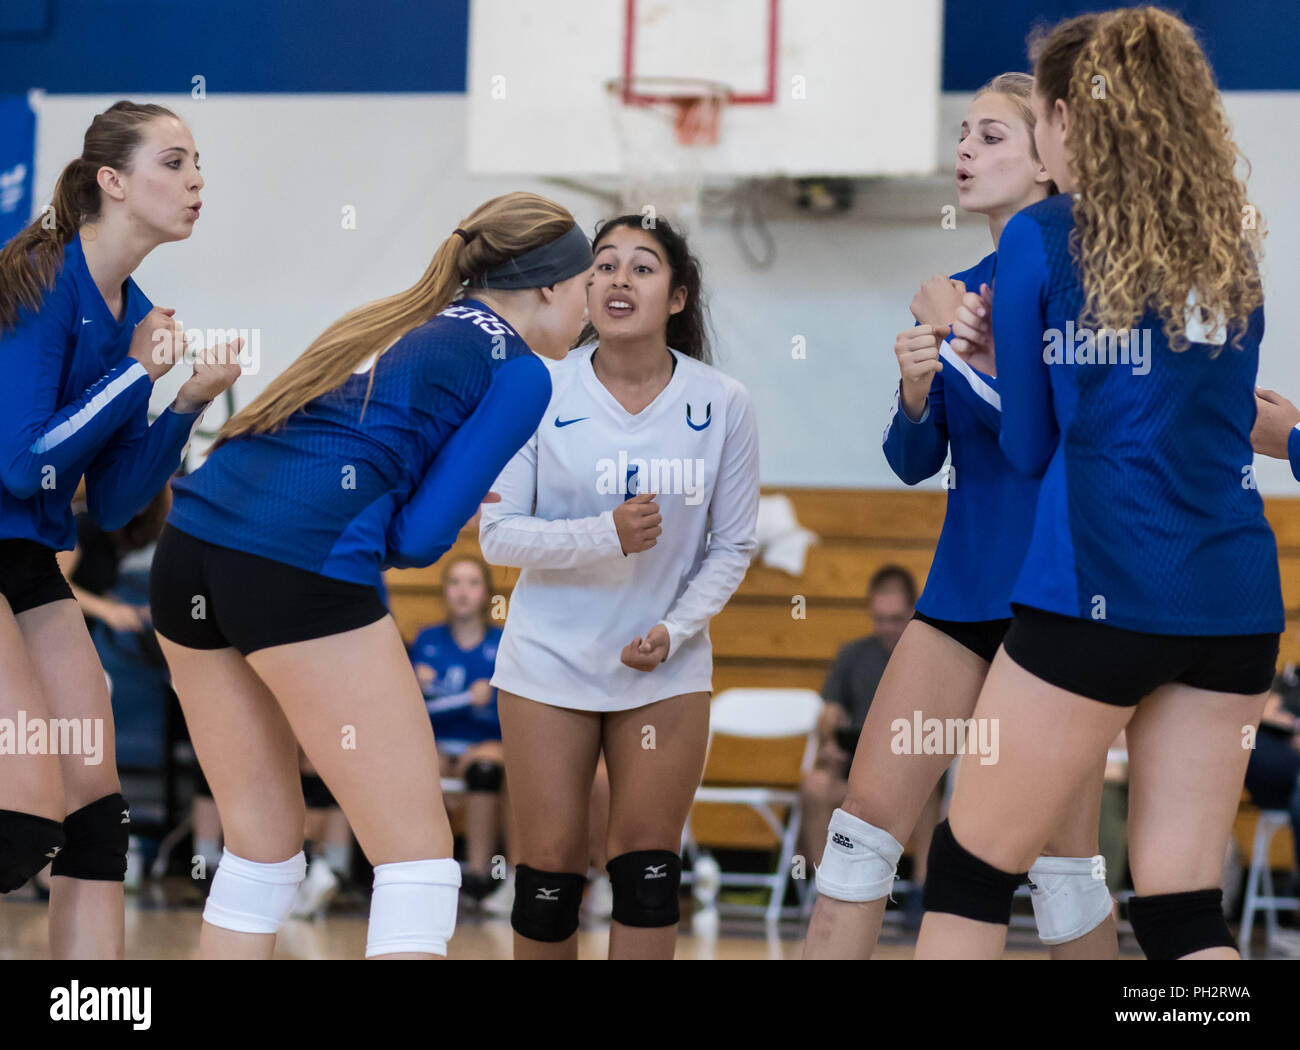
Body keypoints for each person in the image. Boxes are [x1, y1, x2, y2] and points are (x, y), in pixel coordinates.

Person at [914, 7, 1280, 961]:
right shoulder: (1228, 242)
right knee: (1182, 911)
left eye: (1036, 117)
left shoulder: (1041, 234)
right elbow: (1202, 410)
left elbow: (1033, 448)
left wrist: (999, 358)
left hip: (1096, 592)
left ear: (1073, 118)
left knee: (969, 871)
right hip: (1236, 604)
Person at [148, 191, 592, 959]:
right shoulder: (523, 375)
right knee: (418, 862)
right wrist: (425, 511)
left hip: (188, 544)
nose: (593, 307)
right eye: (588, 284)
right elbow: (421, 541)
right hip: (298, 565)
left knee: (260, 852)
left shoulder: (401, 315)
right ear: (550, 286)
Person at [804, 72, 1114, 960]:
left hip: (1057, 597)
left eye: (990, 136)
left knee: (1062, 865)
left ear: (1050, 162)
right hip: (960, 594)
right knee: (862, 830)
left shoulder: (1082, 278)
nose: (964, 153)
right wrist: (914, 389)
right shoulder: (955, 286)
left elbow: (1050, 437)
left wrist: (958, 344)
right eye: (962, 136)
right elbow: (914, 462)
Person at [480, 214, 760, 960]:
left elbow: (732, 543)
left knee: (646, 873)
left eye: (641, 267)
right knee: (548, 876)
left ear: (677, 297)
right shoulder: (536, 384)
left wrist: (677, 628)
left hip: (663, 666)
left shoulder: (722, 402)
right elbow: (496, 532)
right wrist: (603, 532)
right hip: (547, 663)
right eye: (602, 266)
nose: (616, 280)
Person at [0, 101, 238, 958]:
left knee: (98, 816)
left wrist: (182, 403)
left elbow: (108, 504)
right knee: (21, 820)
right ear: (112, 181)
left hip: (23, 553)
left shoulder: (132, 307)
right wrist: (136, 372)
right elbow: (25, 466)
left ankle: (89, 1016)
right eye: (173, 162)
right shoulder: (45, 280)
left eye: (197, 162)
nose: (196, 179)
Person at [799, 567, 917, 887]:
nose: (887, 628)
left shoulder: (927, 659)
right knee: (815, 786)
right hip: (857, 771)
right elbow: (831, 713)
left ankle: (923, 888)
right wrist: (829, 743)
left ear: (912, 612)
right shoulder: (853, 654)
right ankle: (826, 887)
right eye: (880, 618)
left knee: (931, 785)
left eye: (896, 619)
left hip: (914, 776)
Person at [409, 554, 506, 903]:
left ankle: (481, 876)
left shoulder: (503, 643)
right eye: (455, 582)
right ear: (445, 592)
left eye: (473, 583)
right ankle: (428, 875)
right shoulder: (427, 640)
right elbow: (401, 710)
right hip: (433, 743)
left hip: (483, 742)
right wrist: (413, 684)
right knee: (418, 769)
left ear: (487, 594)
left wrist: (490, 699)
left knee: (484, 769)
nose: (463, 592)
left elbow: (515, 716)